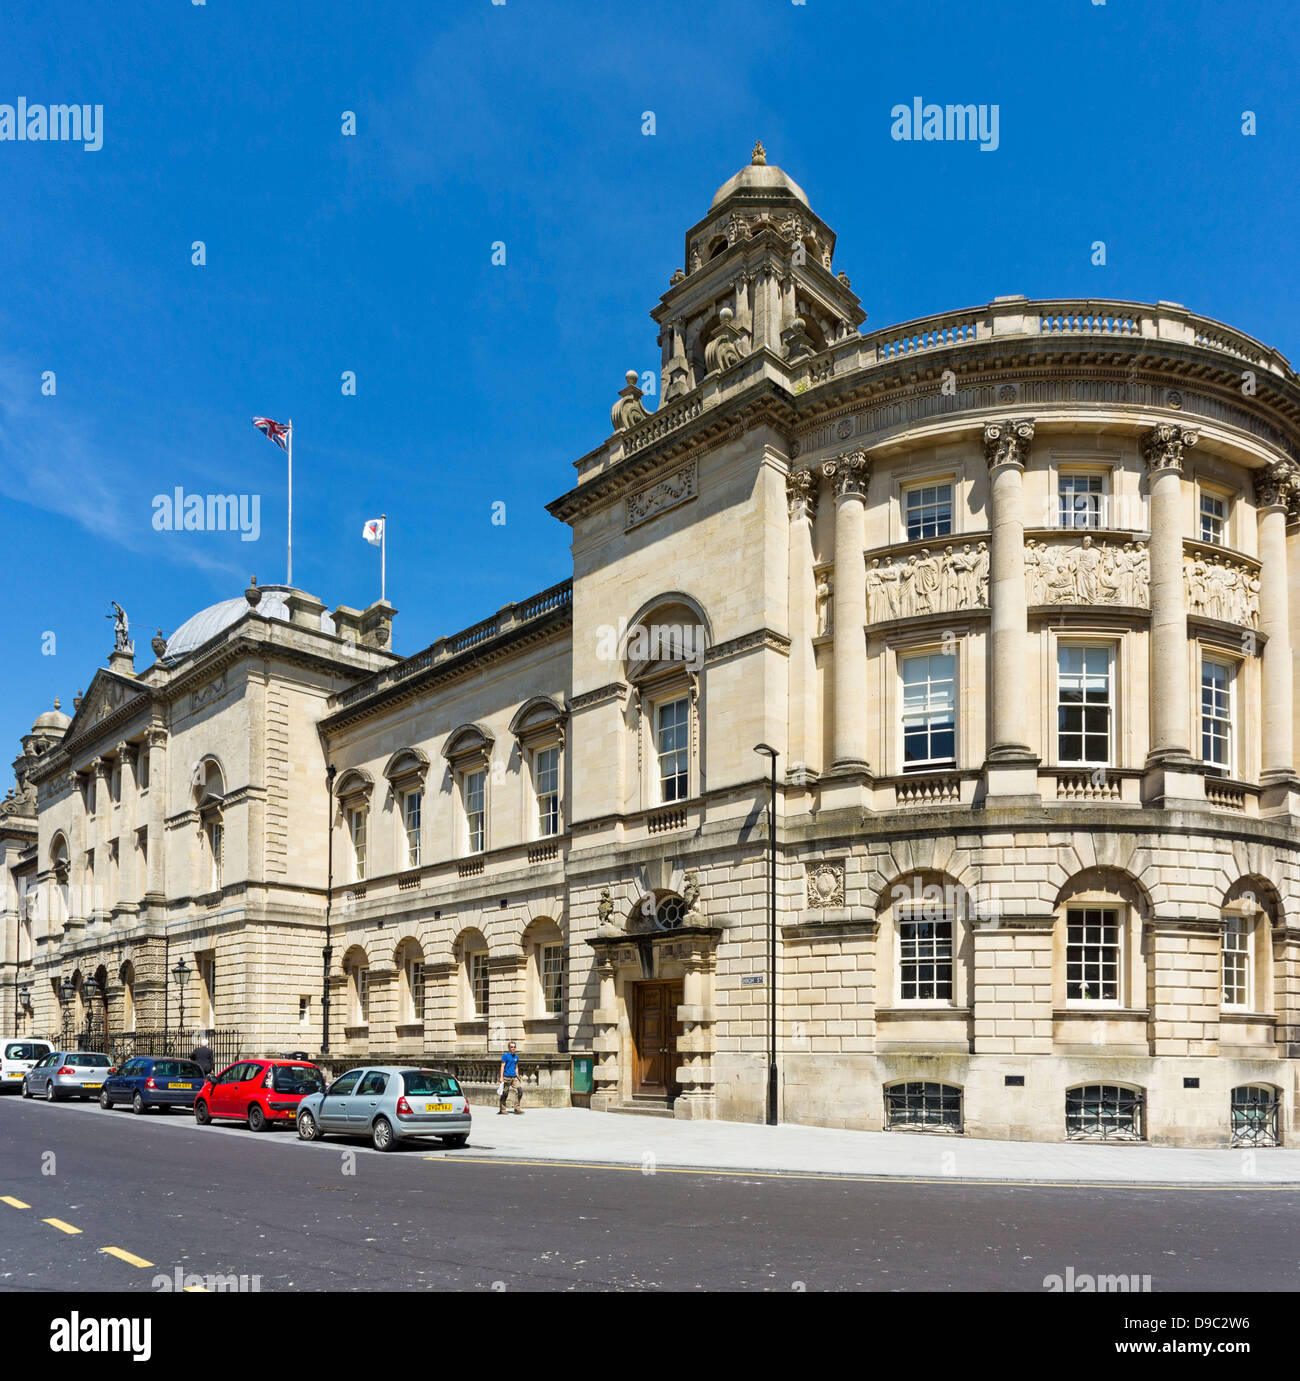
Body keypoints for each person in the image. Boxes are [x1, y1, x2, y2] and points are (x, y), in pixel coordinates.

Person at [498, 1040, 523, 1114]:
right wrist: (501, 1077)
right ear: (509, 1048)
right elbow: (502, 1066)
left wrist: (518, 1075)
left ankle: (517, 1108)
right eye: (511, 1047)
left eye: (514, 1047)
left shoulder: (516, 1056)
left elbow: (516, 1067)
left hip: (514, 1077)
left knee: (519, 1091)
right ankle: (502, 1109)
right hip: (506, 1077)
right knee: (505, 1093)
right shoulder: (505, 1056)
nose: (513, 1048)